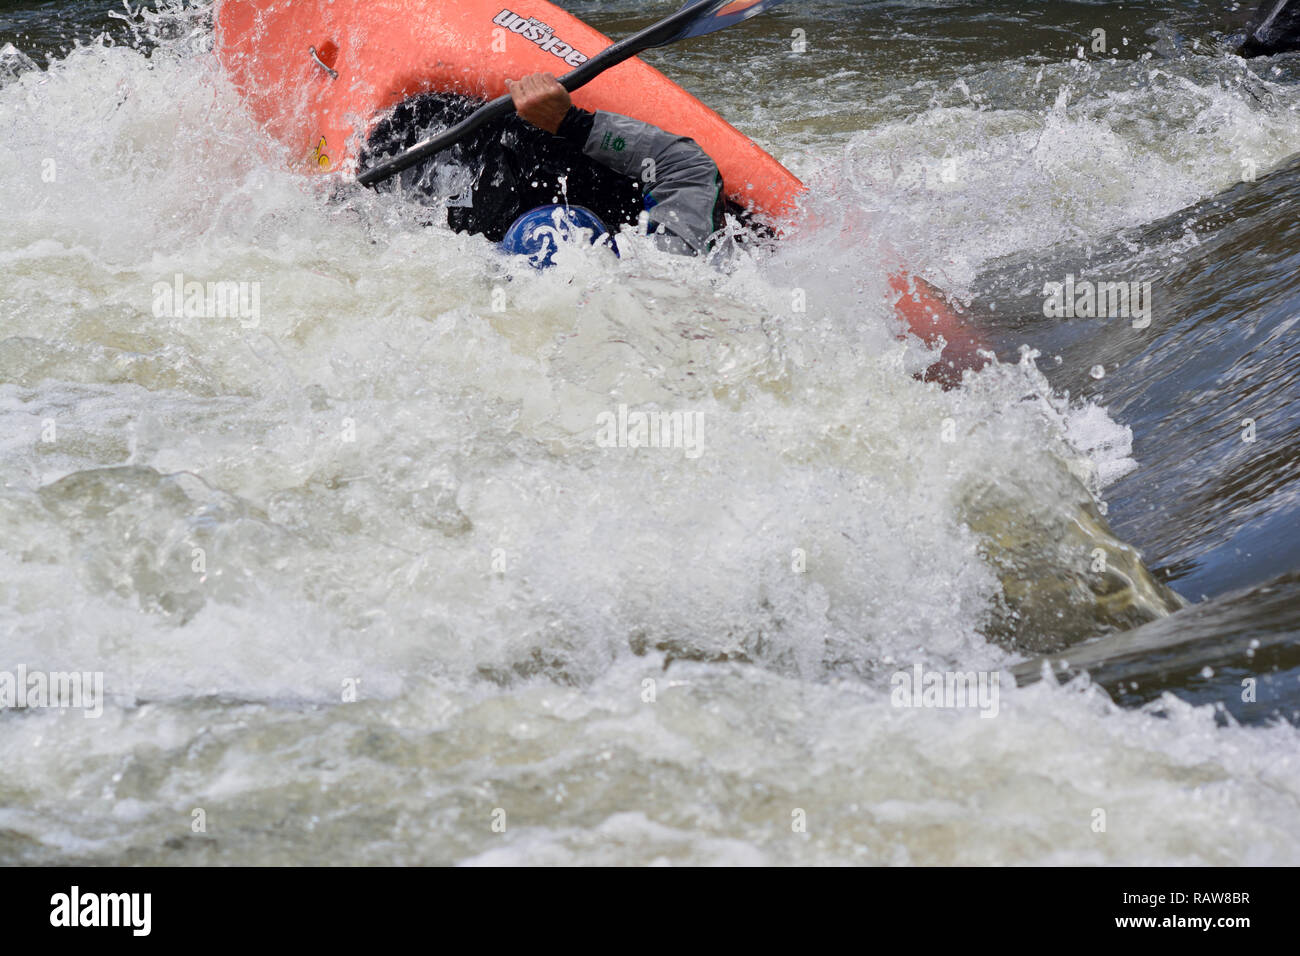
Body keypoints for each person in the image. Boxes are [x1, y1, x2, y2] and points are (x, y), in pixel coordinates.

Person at [363, 73, 731, 267]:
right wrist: (570, 123)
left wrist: (569, 123)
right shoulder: (669, 272)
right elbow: (688, 168)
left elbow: (688, 168)